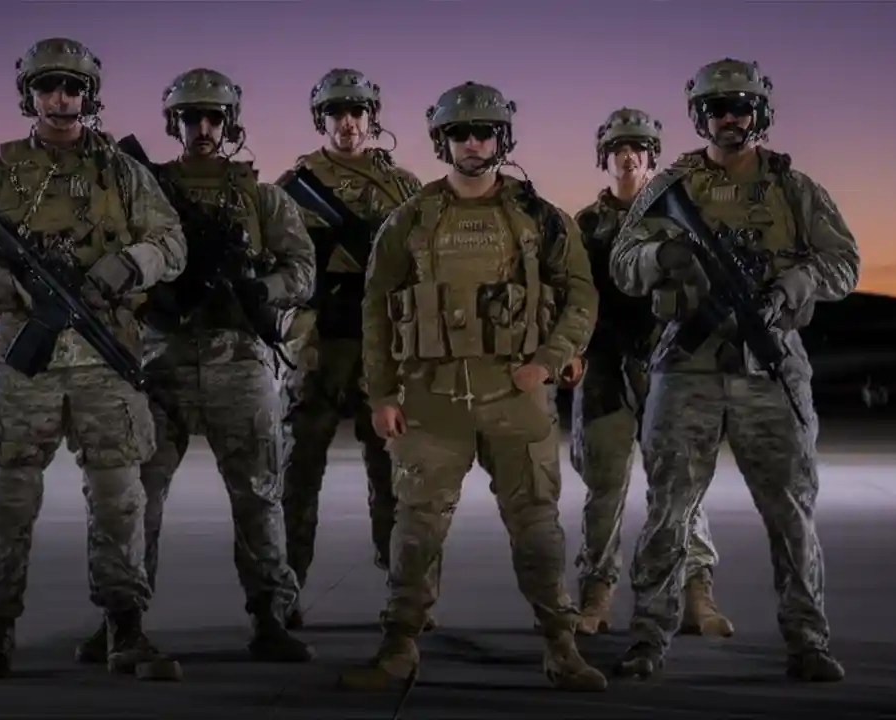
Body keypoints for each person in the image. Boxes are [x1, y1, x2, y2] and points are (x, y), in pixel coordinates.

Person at [0, 38, 188, 683]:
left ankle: (126, 629)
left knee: (120, 499)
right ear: (30, 96)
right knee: (9, 498)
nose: (61, 100)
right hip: (23, 360)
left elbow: (172, 242)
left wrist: (131, 262)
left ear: (88, 95)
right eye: (48, 88)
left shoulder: (124, 175)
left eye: (71, 88)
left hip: (106, 356)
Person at [339, 81, 606, 692]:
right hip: (430, 400)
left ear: (502, 138)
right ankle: (400, 644)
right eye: (461, 133)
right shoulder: (409, 221)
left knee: (538, 529)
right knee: (415, 531)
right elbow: (376, 310)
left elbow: (581, 298)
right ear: (442, 141)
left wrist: (547, 361)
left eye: (484, 132)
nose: (473, 143)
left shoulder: (541, 219)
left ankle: (560, 645)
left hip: (516, 396)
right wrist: (381, 394)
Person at [609, 58, 859, 682]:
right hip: (685, 366)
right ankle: (649, 636)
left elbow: (844, 263)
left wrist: (792, 286)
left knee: (791, 510)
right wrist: (662, 254)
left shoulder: (794, 189)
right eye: (717, 108)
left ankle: (807, 638)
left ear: (759, 112)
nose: (729, 118)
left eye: (741, 107)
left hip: (768, 368)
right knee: (669, 508)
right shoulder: (670, 187)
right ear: (700, 116)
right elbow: (622, 261)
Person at [75, 67, 317, 664]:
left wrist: (265, 289)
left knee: (259, 494)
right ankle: (121, 619)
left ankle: (269, 615)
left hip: (239, 359)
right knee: (137, 494)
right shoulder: (144, 190)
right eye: (191, 119)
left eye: (213, 118)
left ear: (229, 124)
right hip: (161, 359)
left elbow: (302, 268)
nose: (203, 129)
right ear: (175, 124)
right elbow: (117, 258)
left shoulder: (263, 199)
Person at [274, 68, 436, 630]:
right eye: (338, 113)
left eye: (358, 113)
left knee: (394, 472)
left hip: (382, 346)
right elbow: (274, 261)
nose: (349, 123)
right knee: (299, 471)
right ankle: (284, 589)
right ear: (324, 120)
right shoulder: (295, 185)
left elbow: (426, 260)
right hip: (316, 342)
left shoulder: (401, 185)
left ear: (372, 117)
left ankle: (404, 594)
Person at [566, 108, 732, 638]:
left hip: (671, 365)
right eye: (618, 147)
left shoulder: (682, 217)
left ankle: (696, 592)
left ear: (651, 155)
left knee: (682, 487)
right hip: (605, 368)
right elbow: (570, 296)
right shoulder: (584, 227)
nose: (628, 155)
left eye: (637, 147)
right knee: (604, 486)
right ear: (605, 157)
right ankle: (597, 592)